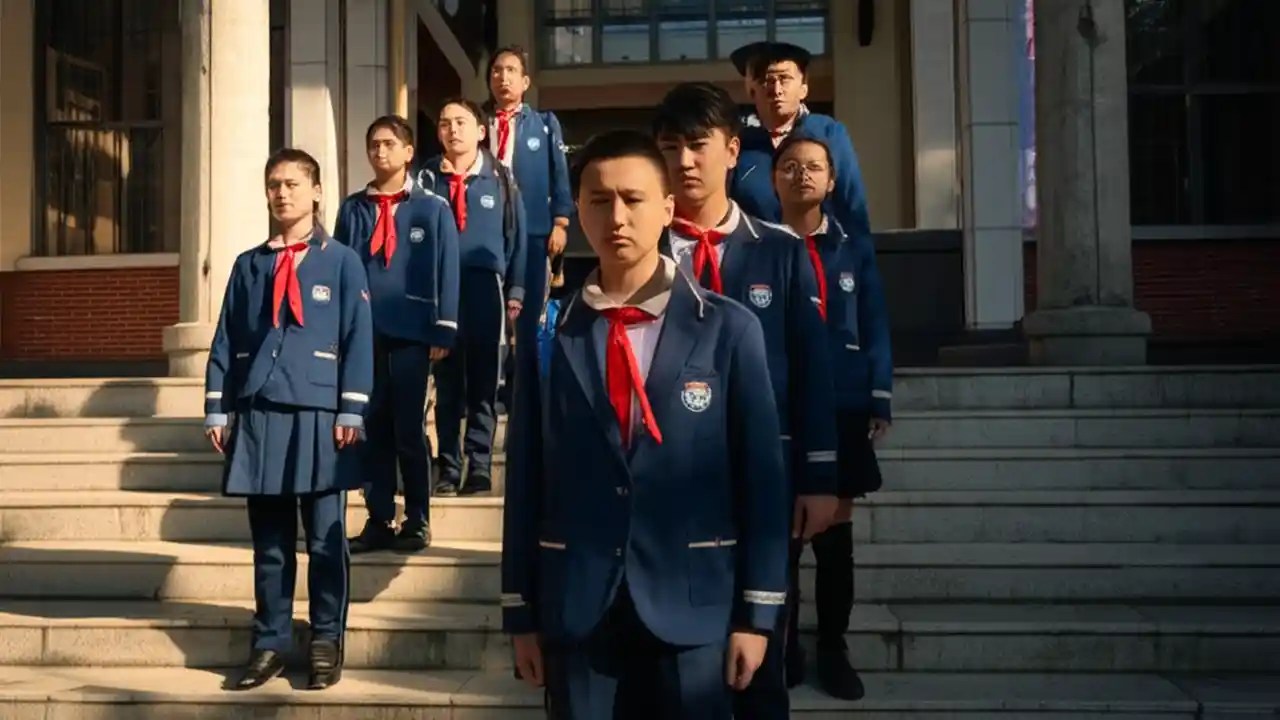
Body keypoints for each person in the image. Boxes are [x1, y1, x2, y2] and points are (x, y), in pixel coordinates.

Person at [500, 128, 790, 719]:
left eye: (633, 199)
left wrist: (758, 615)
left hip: (694, 603)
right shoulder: (547, 334)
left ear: (666, 208)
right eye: (599, 200)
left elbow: (761, 481)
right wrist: (519, 611)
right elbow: (526, 479)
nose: (617, 217)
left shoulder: (727, 330)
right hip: (579, 605)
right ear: (577, 210)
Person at [651, 81, 840, 720]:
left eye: (698, 145)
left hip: (765, 478)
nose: (684, 162)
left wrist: (818, 473)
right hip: (669, 484)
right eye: (670, 147)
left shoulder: (781, 252)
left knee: (760, 643)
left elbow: (815, 368)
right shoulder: (641, 258)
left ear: (733, 150)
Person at [203, 148, 374, 691]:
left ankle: (326, 638)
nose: (282, 193)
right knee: (270, 541)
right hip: (259, 413)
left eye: (293, 184)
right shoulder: (249, 264)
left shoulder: (341, 260)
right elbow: (227, 337)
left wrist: (352, 405)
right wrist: (217, 405)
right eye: (274, 184)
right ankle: (270, 641)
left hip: (322, 415)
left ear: (318, 192)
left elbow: (357, 336)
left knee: (326, 536)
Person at [774, 135, 893, 700]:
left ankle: (833, 647)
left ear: (831, 181)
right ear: (774, 180)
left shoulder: (853, 246)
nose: (802, 176)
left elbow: (872, 318)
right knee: (786, 537)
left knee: (834, 536)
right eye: (790, 167)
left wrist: (879, 391)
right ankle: (786, 644)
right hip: (778, 404)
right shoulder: (760, 247)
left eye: (814, 167)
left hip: (842, 400)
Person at [335, 115, 460, 554]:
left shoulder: (432, 207)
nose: (380, 151)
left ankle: (418, 518)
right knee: (372, 426)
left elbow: (447, 268)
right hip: (365, 334)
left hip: (412, 331)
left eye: (389, 144)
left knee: (409, 427)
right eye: (373, 144)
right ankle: (378, 516)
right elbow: (341, 269)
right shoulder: (353, 209)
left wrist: (443, 326)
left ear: (409, 152)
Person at [419, 98, 526, 496]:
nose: (452, 130)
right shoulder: (427, 179)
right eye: (445, 123)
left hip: (485, 290)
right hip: (438, 293)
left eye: (461, 122)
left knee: (483, 382)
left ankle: (478, 465)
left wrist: (516, 290)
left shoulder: (500, 177)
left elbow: (517, 239)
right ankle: (448, 467)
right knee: (447, 385)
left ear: (481, 131)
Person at [485, 45, 573, 411]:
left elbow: (559, 176)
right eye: (496, 71)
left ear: (525, 81)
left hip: (535, 232)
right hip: (487, 233)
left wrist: (561, 222)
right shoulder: (475, 123)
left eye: (510, 71)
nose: (503, 78)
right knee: (490, 312)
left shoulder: (545, 124)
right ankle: (490, 391)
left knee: (529, 314)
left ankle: (526, 390)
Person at [728, 41, 871, 239]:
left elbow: (852, 207)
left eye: (784, 79)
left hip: (821, 259)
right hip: (760, 262)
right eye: (766, 81)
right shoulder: (740, 144)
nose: (776, 90)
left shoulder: (828, 133)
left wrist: (862, 266)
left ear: (803, 87)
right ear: (751, 90)